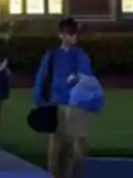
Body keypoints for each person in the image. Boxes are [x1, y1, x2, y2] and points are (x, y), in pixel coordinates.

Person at [33, 17, 94, 178]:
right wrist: (39, 99)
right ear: (61, 35)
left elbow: (86, 76)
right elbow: (42, 77)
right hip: (57, 103)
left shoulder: (80, 55)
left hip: (75, 105)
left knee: (76, 148)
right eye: (70, 34)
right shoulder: (52, 55)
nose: (73, 38)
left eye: (75, 34)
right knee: (56, 149)